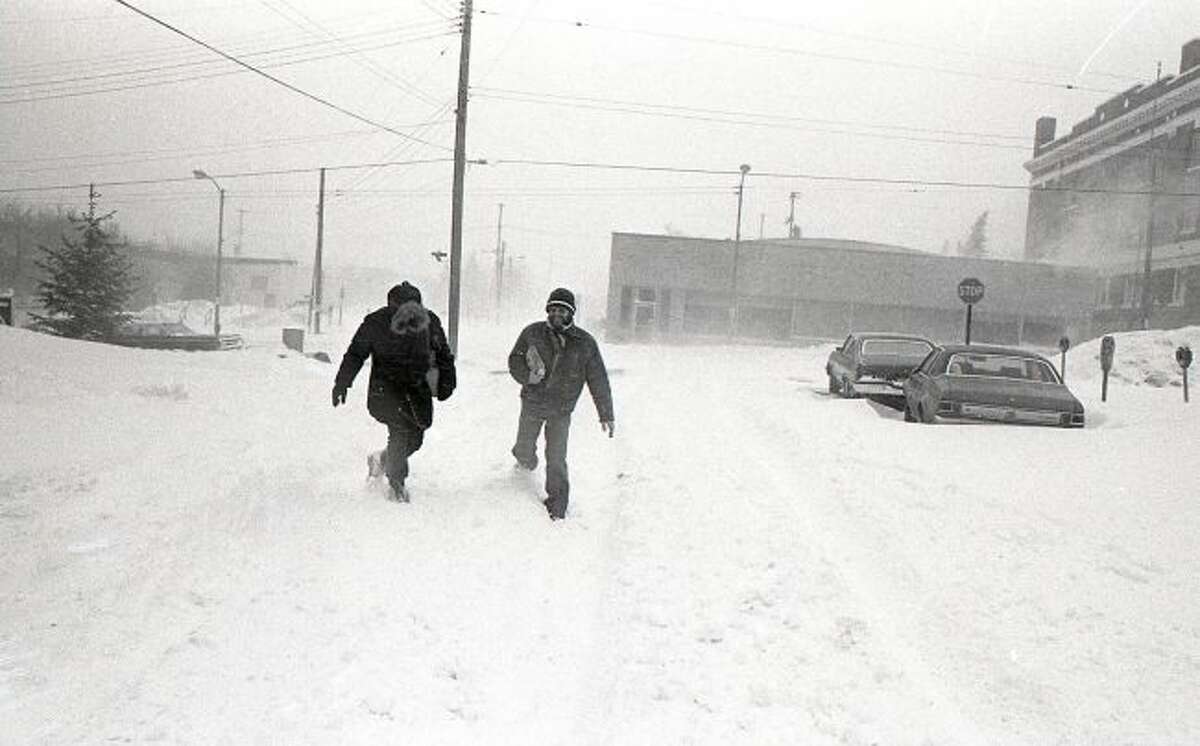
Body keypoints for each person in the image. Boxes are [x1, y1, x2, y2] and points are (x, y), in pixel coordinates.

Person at [332, 281, 456, 502]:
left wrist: (447, 382)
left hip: (417, 390)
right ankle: (396, 483)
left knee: (416, 438)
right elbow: (356, 353)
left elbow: (444, 354)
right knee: (399, 431)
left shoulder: (430, 321)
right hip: (385, 389)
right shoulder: (376, 322)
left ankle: (382, 460)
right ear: (392, 306)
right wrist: (342, 383)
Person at [508, 287, 614, 520]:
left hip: (561, 409)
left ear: (571, 313)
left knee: (556, 457)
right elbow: (514, 360)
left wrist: (606, 413)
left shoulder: (585, 343)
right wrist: (527, 376)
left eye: (562, 310)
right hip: (533, 402)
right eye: (553, 309)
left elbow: (598, 379)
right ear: (547, 311)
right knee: (523, 447)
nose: (557, 314)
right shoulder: (532, 333)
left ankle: (557, 506)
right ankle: (525, 463)